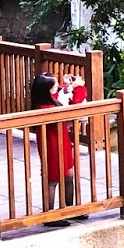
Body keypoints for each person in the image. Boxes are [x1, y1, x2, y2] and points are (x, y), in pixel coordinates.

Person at [31, 72, 76, 227]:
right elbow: (66, 110)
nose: (58, 86)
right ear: (48, 89)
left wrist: (68, 85)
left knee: (69, 175)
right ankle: (49, 216)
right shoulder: (44, 107)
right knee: (53, 179)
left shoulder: (48, 99)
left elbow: (61, 92)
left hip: (61, 141)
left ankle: (72, 209)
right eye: (55, 84)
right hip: (51, 145)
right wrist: (75, 90)